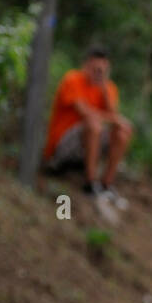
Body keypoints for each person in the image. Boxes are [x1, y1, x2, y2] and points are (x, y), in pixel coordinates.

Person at [43, 46, 133, 218]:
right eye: (95, 69)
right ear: (86, 65)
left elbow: (114, 118)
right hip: (63, 145)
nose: (98, 73)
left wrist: (105, 91)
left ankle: (106, 184)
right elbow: (84, 112)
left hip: (88, 144)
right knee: (94, 124)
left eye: (103, 70)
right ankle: (90, 184)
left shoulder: (109, 88)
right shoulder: (73, 80)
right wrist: (116, 120)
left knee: (122, 131)